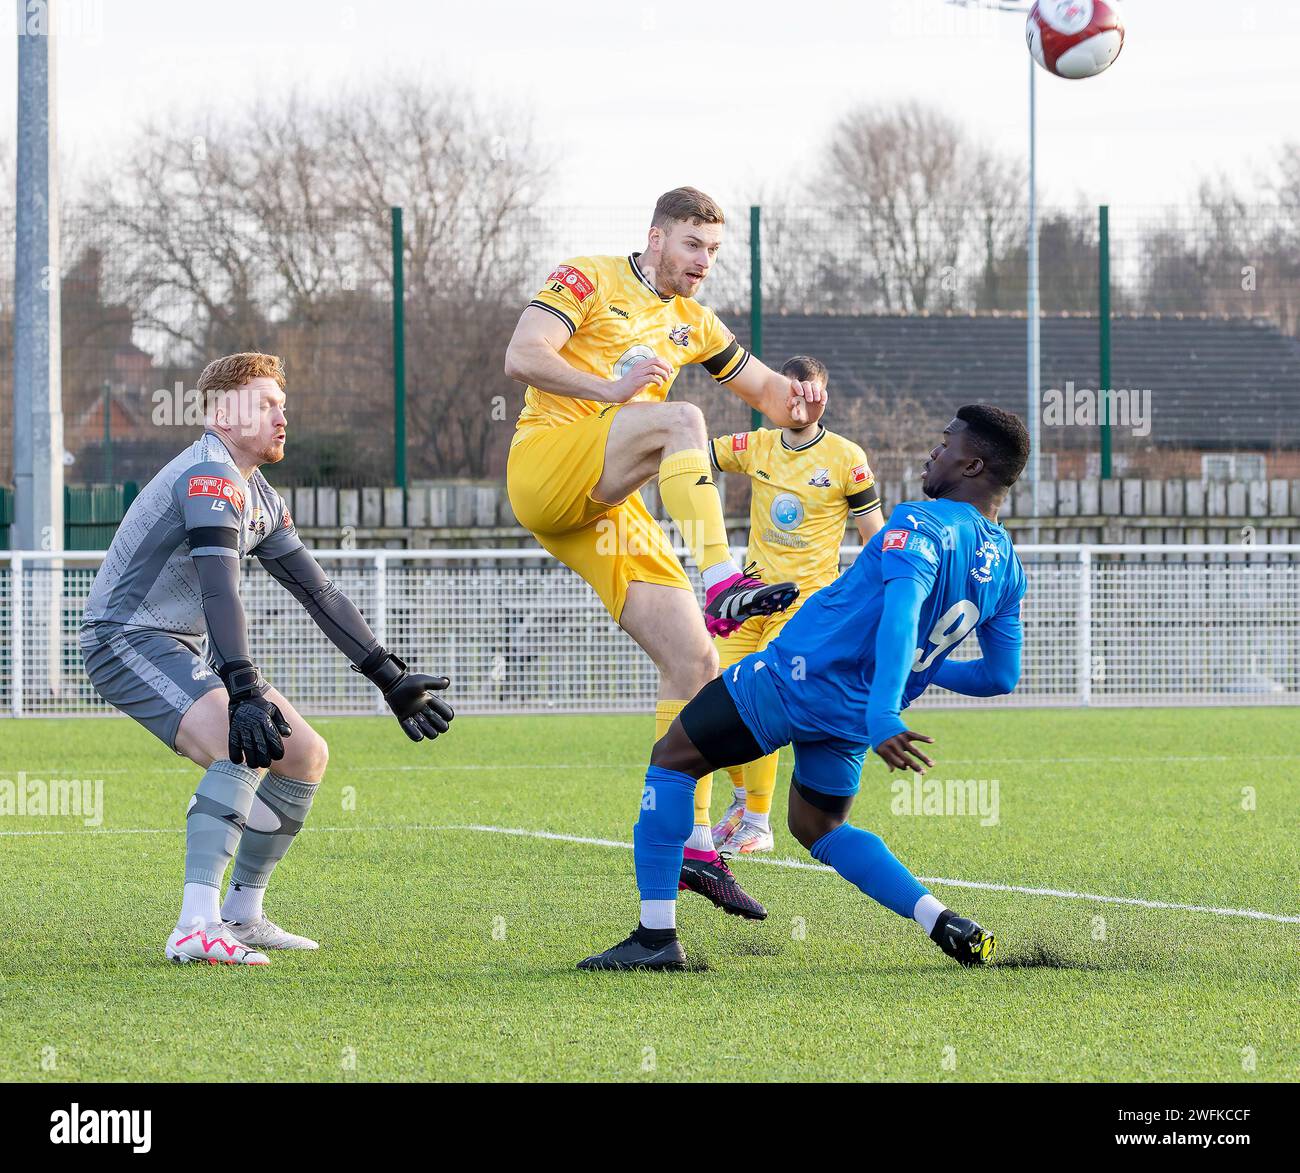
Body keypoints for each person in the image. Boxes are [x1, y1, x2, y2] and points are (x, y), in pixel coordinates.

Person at [577, 405, 1030, 971]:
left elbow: (901, 610)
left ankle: (655, 938)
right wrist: (909, 679)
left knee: (672, 759)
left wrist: (887, 712)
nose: (933, 453)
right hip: (851, 713)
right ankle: (941, 919)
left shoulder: (924, 523)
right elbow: (997, 676)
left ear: (973, 463)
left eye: (945, 445)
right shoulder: (1010, 567)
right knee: (817, 826)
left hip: (798, 681)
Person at [504, 187, 826, 919]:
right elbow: (522, 354)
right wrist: (611, 387)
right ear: (655, 237)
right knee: (678, 416)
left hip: (606, 505)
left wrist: (801, 400)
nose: (704, 262)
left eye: (713, 251)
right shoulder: (588, 277)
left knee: (697, 662)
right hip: (547, 465)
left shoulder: (694, 323)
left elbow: (772, 396)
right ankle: (721, 581)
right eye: (692, 246)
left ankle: (692, 843)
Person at [80, 352, 454, 966]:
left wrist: (390, 677)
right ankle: (193, 926)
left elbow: (317, 590)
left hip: (176, 643)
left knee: (304, 755)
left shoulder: (254, 489)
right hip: (125, 639)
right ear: (223, 415)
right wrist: (244, 690)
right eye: (267, 405)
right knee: (240, 741)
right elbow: (217, 588)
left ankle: (241, 915)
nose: (283, 417)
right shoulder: (208, 478)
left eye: (284, 405)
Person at [700, 355, 884, 858]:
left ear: (824, 396)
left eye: (811, 391)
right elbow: (695, 456)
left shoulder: (847, 458)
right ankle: (743, 803)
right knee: (713, 698)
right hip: (748, 601)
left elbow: (876, 540)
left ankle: (758, 821)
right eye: (791, 391)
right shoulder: (756, 444)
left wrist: (872, 602)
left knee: (755, 701)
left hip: (806, 608)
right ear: (777, 393)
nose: (800, 401)